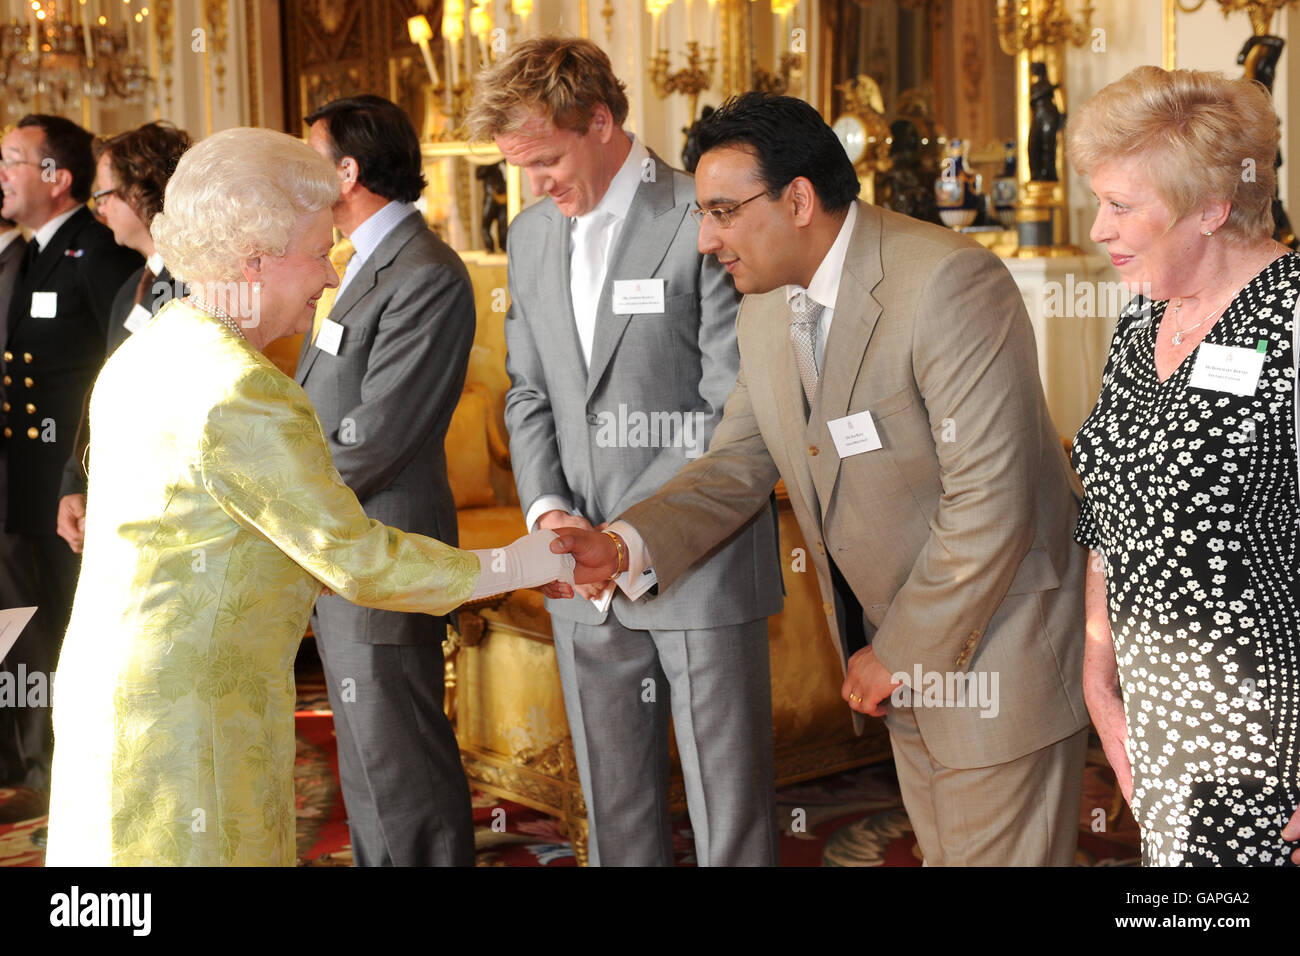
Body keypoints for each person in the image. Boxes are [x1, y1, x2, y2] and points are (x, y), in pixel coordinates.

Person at [555, 92, 1090, 866]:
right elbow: (736, 463)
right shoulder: (767, 309)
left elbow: (990, 500)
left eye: (724, 211)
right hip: (902, 658)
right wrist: (621, 542)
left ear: (798, 198)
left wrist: (899, 649)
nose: (705, 239)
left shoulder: (948, 281)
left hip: (997, 650)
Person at [43, 128, 573, 866]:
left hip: (115, 689)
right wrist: (515, 567)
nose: (329, 276)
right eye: (320, 251)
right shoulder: (241, 392)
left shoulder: (152, 349)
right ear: (255, 261)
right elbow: (358, 561)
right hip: (194, 717)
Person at [467, 37, 783, 866]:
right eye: (519, 167)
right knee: (615, 819)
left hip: (698, 561)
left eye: (544, 160)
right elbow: (527, 392)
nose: (533, 183)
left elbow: (727, 406)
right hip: (577, 570)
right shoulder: (531, 236)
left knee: (732, 826)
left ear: (601, 121)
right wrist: (552, 515)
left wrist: (627, 536)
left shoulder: (701, 218)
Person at [1067, 66, 1300, 866]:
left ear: (1212, 207)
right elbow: (1106, 507)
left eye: (1122, 206)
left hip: (1271, 737)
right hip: (1158, 724)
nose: (1099, 228)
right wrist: (1100, 674)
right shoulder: (1140, 323)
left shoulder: (1293, 320)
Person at [300, 94, 477, 867]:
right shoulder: (358, 262)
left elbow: (383, 432)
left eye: (311, 157)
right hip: (345, 543)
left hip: (383, 543)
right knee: (371, 757)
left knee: (400, 757)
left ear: (348, 169)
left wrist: (285, 499)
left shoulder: (426, 271)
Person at [0, 114, 143, 792]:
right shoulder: (31, 255)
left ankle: (92, 773)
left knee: (79, 638)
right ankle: (45, 768)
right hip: (28, 490)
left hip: (78, 487)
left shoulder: (97, 251)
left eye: (13, 160)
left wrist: (77, 474)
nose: (1, 175)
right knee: (32, 637)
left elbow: (123, 365)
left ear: (57, 178)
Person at [56, 121, 193, 556]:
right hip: (119, 507)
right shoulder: (131, 285)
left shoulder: (199, 285)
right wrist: (75, 481)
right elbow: (103, 389)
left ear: (144, 189)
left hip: (174, 518)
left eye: (104, 196)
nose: (99, 211)